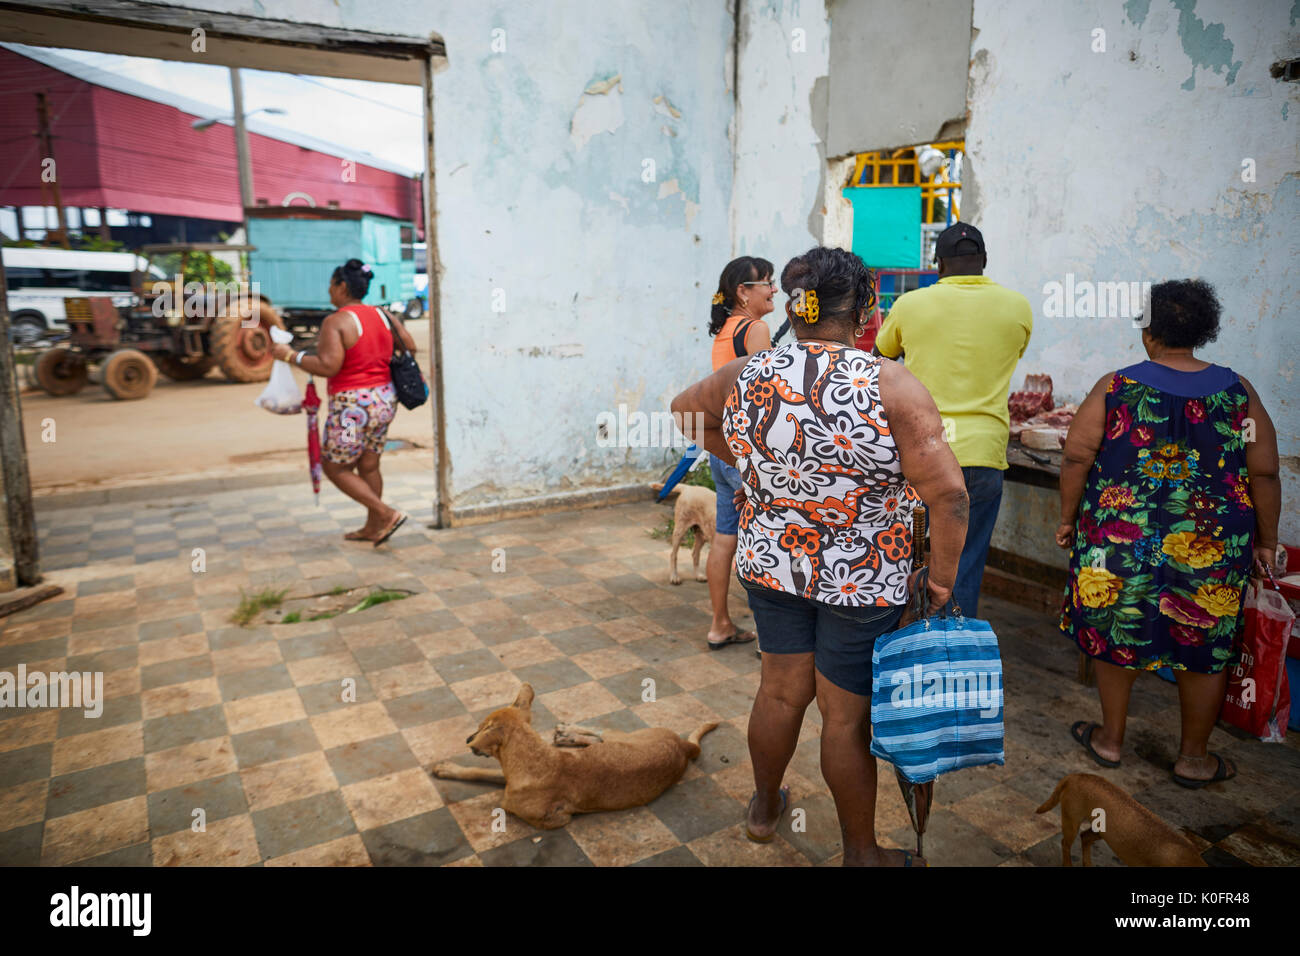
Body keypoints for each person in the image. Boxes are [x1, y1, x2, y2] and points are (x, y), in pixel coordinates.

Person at [672, 246, 969, 866]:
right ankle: (861, 854)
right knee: (843, 718)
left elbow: (685, 412)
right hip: (861, 581)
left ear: (796, 306)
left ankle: (761, 808)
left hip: (773, 565)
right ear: (866, 311)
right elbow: (951, 498)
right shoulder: (891, 384)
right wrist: (941, 582)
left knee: (779, 693)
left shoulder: (750, 372)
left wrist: (756, 464)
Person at [1057, 278, 1280, 787]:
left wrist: (1068, 519)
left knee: (1119, 627)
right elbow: (1263, 471)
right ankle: (1194, 757)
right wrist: (1266, 541)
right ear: (1203, 330)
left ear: (1149, 330)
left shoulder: (1116, 386)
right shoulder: (1237, 391)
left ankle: (1110, 741)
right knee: (1204, 641)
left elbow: (1075, 455)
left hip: (1120, 538)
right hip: (1212, 544)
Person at [874, 222, 1032, 617]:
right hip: (984, 453)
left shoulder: (911, 306)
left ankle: (904, 650)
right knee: (965, 561)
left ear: (938, 263)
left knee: (906, 559)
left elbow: (880, 359)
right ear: (984, 261)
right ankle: (951, 656)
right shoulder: (1017, 306)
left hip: (922, 451)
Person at [271, 258, 415, 546]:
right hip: (385, 401)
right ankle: (374, 526)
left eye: (331, 285)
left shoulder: (336, 321)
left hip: (353, 411)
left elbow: (328, 366)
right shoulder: (383, 314)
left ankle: (385, 514)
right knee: (369, 465)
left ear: (342, 286)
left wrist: (289, 355)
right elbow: (409, 345)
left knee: (336, 467)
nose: (328, 291)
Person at [702, 256, 774, 651]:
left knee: (725, 538)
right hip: (749, 455)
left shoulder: (725, 330)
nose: (774, 290)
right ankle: (772, 640)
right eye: (767, 282)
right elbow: (765, 398)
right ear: (743, 292)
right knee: (762, 542)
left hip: (721, 449)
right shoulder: (756, 328)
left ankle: (720, 625)